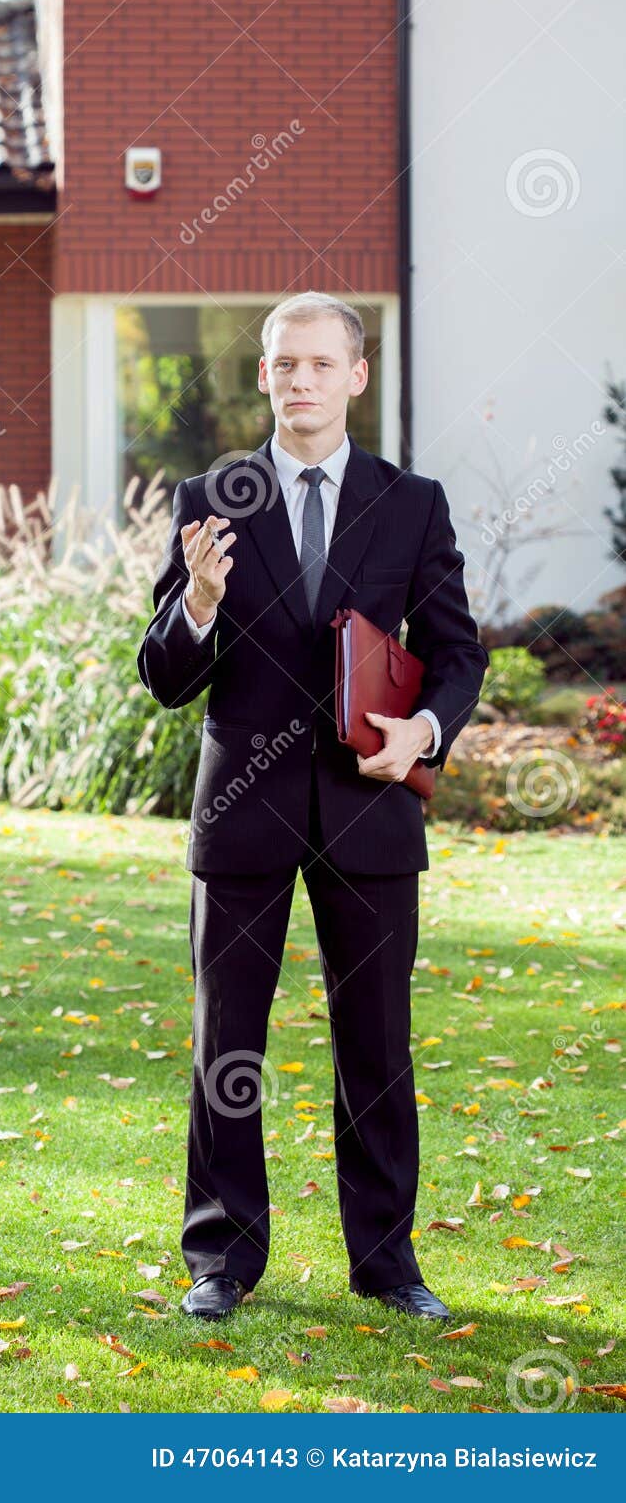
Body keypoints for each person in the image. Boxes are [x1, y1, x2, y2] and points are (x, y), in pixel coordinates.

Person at [136, 292, 489, 1323]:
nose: (299, 380)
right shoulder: (211, 494)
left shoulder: (409, 501)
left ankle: (384, 1261)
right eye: (282, 364)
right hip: (241, 810)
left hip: (368, 806)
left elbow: (457, 650)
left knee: (375, 1043)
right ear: (261, 376)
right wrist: (195, 604)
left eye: (318, 364)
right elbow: (162, 674)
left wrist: (421, 733)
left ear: (354, 376)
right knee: (225, 1046)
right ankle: (221, 1258)